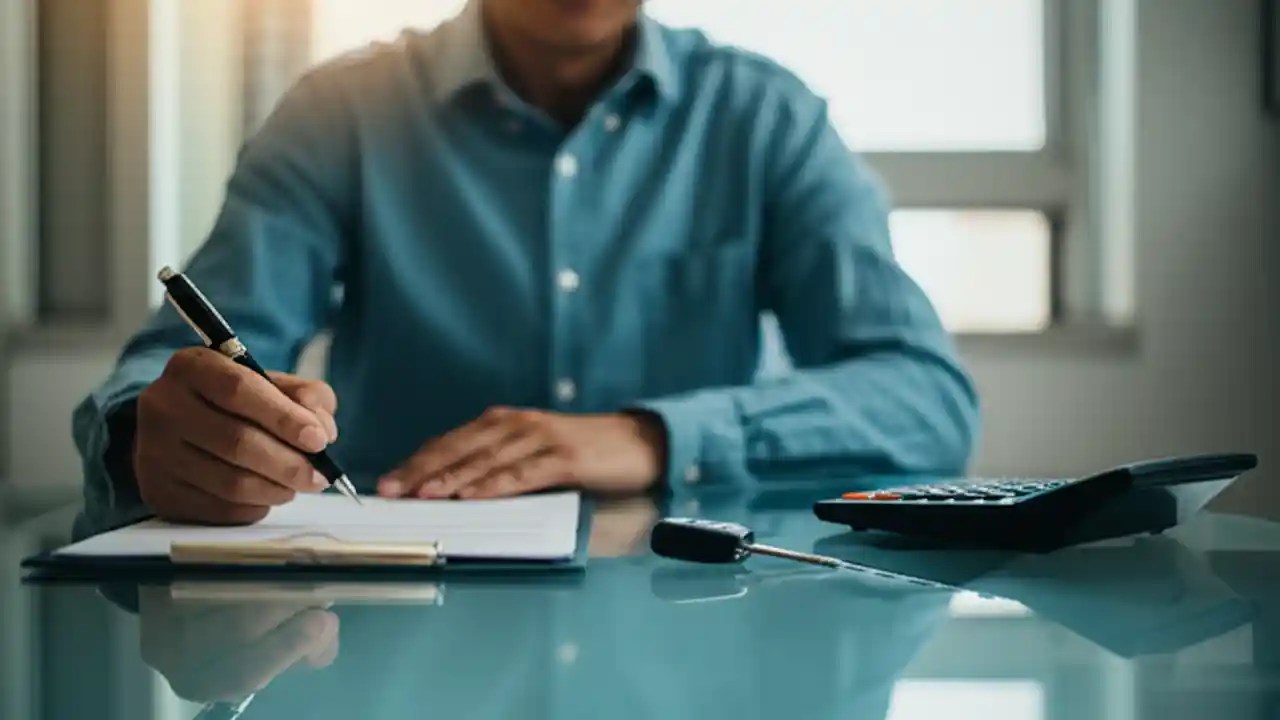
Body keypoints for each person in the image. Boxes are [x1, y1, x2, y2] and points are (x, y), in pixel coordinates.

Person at [73, 0, 980, 528]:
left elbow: (925, 400)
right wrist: (150, 436)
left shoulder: (767, 118)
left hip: (701, 609)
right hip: (394, 629)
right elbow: (172, 366)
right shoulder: (340, 113)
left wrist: (652, 436)